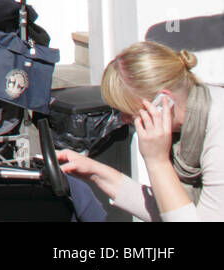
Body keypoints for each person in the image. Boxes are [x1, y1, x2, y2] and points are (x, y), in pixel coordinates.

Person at [58, 42, 223, 221]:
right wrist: (95, 172)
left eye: (129, 112)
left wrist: (157, 162)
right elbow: (169, 210)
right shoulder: (185, 128)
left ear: (164, 102)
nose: (124, 120)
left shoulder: (218, 124)